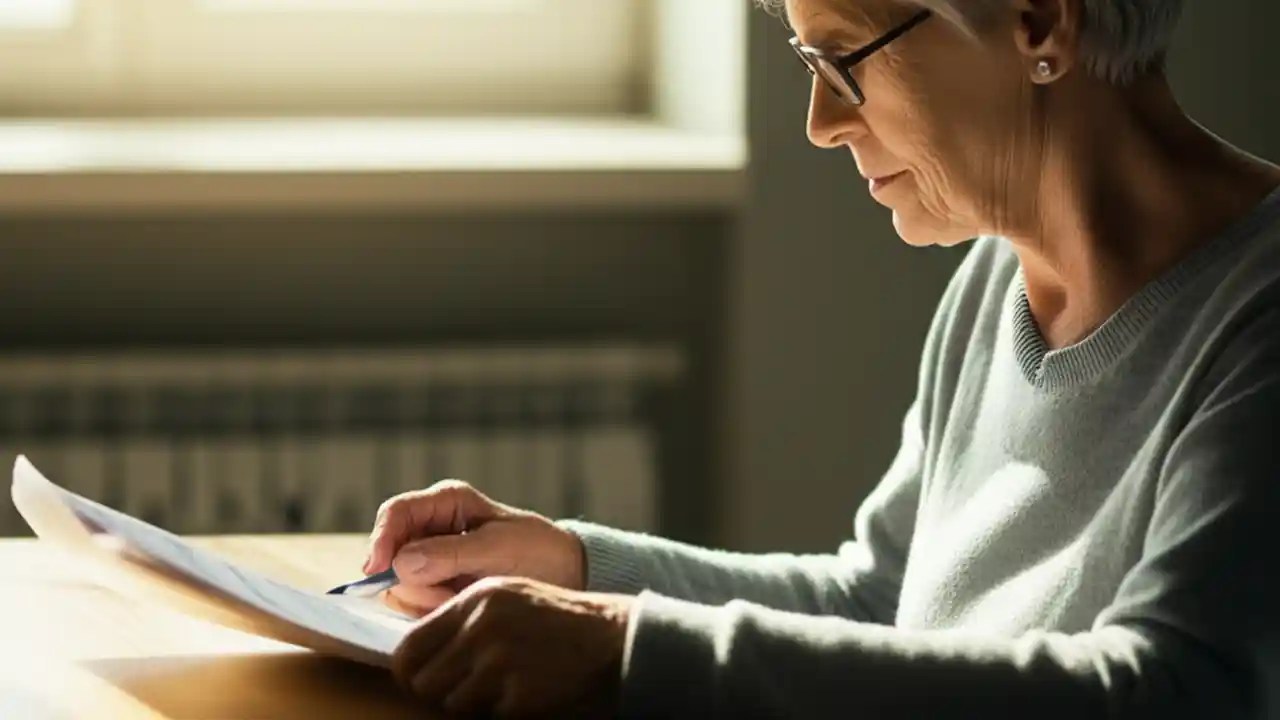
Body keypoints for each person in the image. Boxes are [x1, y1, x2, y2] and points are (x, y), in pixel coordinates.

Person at [367, 0, 1280, 716]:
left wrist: (629, 649)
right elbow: (883, 602)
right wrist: (570, 568)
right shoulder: (995, 278)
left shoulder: (1257, 320)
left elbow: (1184, 694)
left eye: (845, 60)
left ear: (1039, 19)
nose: (819, 121)